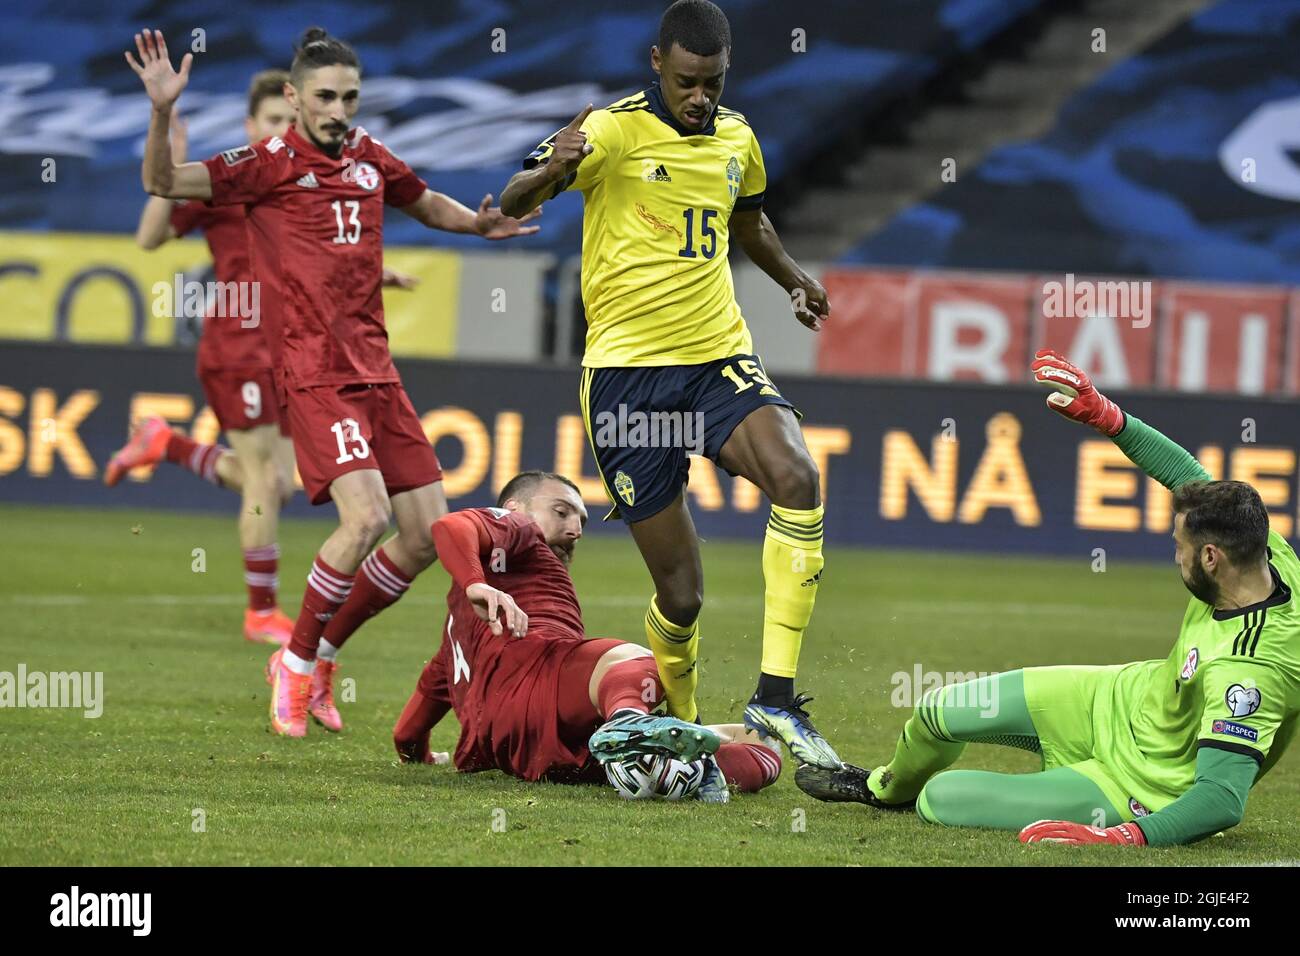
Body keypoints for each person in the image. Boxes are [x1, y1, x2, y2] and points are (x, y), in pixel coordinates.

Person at [125, 27, 540, 736]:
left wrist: (477, 225)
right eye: (324, 96)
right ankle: (289, 661)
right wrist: (163, 111)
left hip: (379, 373)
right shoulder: (265, 163)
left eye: (349, 95)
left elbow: (422, 199)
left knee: (423, 535)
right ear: (294, 97)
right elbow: (163, 185)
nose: (338, 108)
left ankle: (321, 656)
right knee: (365, 517)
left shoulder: (369, 155)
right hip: (314, 375)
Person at [498, 0, 841, 769]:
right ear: (658, 64)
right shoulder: (612, 131)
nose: (700, 98)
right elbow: (511, 201)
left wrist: (792, 279)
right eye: (687, 81)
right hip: (627, 382)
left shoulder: (737, 138)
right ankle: (683, 727)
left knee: (797, 474)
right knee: (681, 596)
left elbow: (747, 221)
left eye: (712, 83)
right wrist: (553, 167)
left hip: (716, 358)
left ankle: (775, 695)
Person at [797, 349, 1300, 848]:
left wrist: (1125, 837)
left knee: (941, 799)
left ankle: (930, 795)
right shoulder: (1265, 552)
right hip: (1116, 699)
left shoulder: (1250, 673)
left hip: (1137, 785)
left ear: (1211, 558)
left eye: (1180, 546)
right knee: (937, 710)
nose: (1175, 555)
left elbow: (1220, 799)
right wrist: (1109, 416)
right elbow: (1184, 471)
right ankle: (882, 789)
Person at [105, 69, 416, 646]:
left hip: (297, 352)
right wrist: (169, 160)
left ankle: (164, 443)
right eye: (270, 121)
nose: (282, 130)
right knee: (265, 478)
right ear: (252, 126)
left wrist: (377, 274)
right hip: (238, 347)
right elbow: (150, 236)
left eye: (287, 120)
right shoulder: (236, 178)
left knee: (279, 483)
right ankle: (261, 611)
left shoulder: (307, 181)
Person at [392, 470, 783, 801]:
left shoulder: (455, 637)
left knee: (760, 740)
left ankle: (681, 770)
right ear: (511, 510)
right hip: (544, 684)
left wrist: (419, 756)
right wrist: (476, 584)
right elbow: (450, 525)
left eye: (581, 521)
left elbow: (407, 732)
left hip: (521, 753)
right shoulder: (519, 530)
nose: (575, 529)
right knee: (636, 659)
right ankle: (630, 722)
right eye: (561, 512)